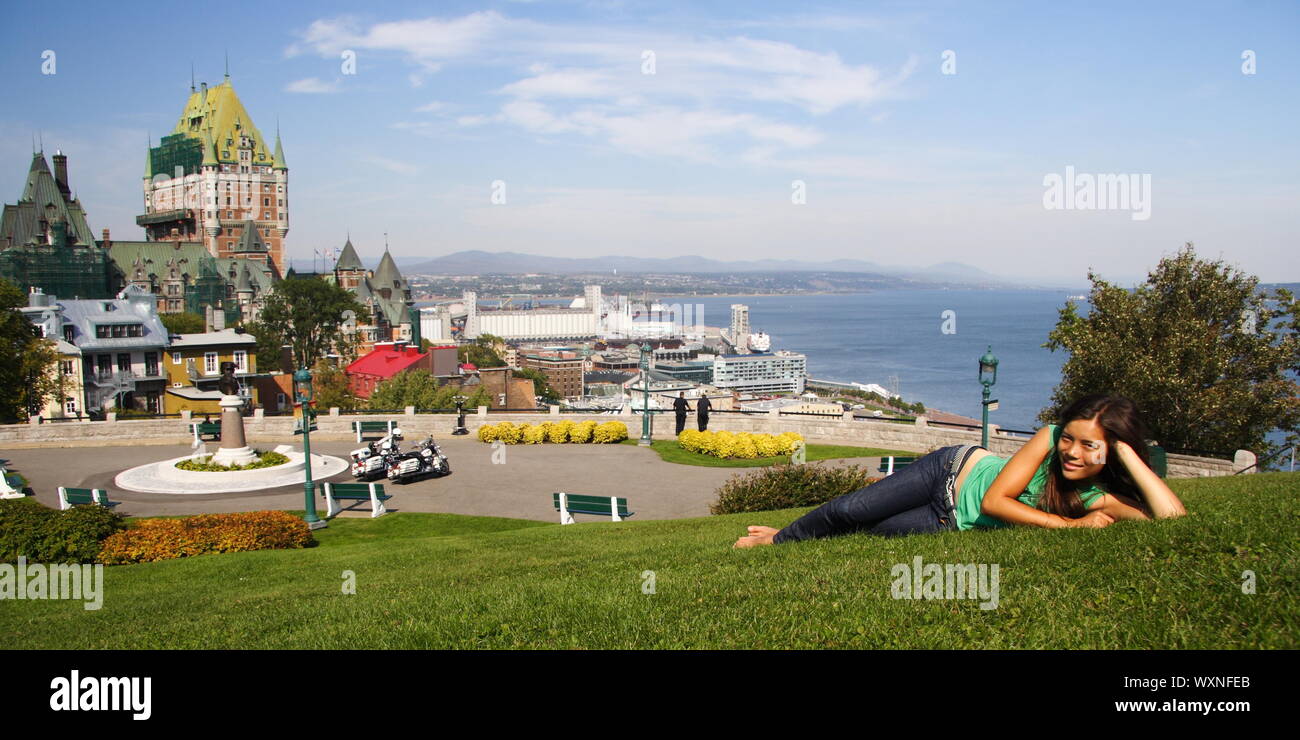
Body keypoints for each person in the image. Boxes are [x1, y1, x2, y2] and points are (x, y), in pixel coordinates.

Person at [734, 394, 1186, 548]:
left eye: (1090, 446)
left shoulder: (1097, 496)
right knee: (853, 508)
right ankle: (779, 539)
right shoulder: (1048, 438)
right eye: (1071, 438)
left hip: (949, 521)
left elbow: (1171, 520)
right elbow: (995, 502)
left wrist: (1126, 455)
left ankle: (796, 533)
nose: (1072, 452)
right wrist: (1068, 528)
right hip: (949, 472)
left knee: (868, 530)